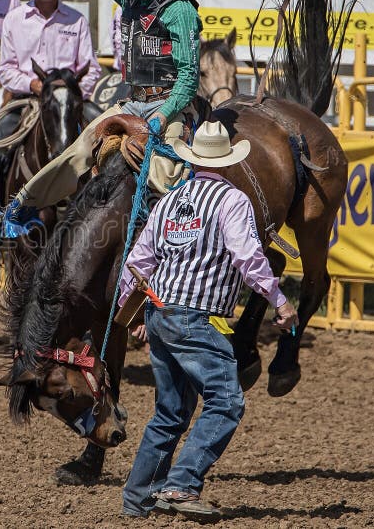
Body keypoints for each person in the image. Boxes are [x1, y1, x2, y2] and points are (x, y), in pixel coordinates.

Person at [116, 121, 299, 522]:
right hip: (196, 316)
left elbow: (139, 259)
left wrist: (132, 311)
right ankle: (181, 485)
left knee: (170, 411)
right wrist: (280, 302)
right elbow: (248, 258)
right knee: (226, 401)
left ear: (193, 159)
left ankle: (138, 497)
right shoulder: (232, 200)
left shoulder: (170, 200)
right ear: (229, 162)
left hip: (160, 311)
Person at [3, 0, 202, 237]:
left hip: (168, 104)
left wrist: (163, 116)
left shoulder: (180, 10)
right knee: (80, 147)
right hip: (134, 101)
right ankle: (27, 203)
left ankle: (180, 235)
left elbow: (188, 77)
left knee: (169, 173)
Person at [0, 0, 102, 238]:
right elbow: (6, 69)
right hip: (27, 99)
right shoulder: (15, 20)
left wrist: (74, 95)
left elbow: (91, 68)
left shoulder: (76, 20)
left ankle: (104, 211)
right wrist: (34, 85)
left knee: (108, 139)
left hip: (68, 101)